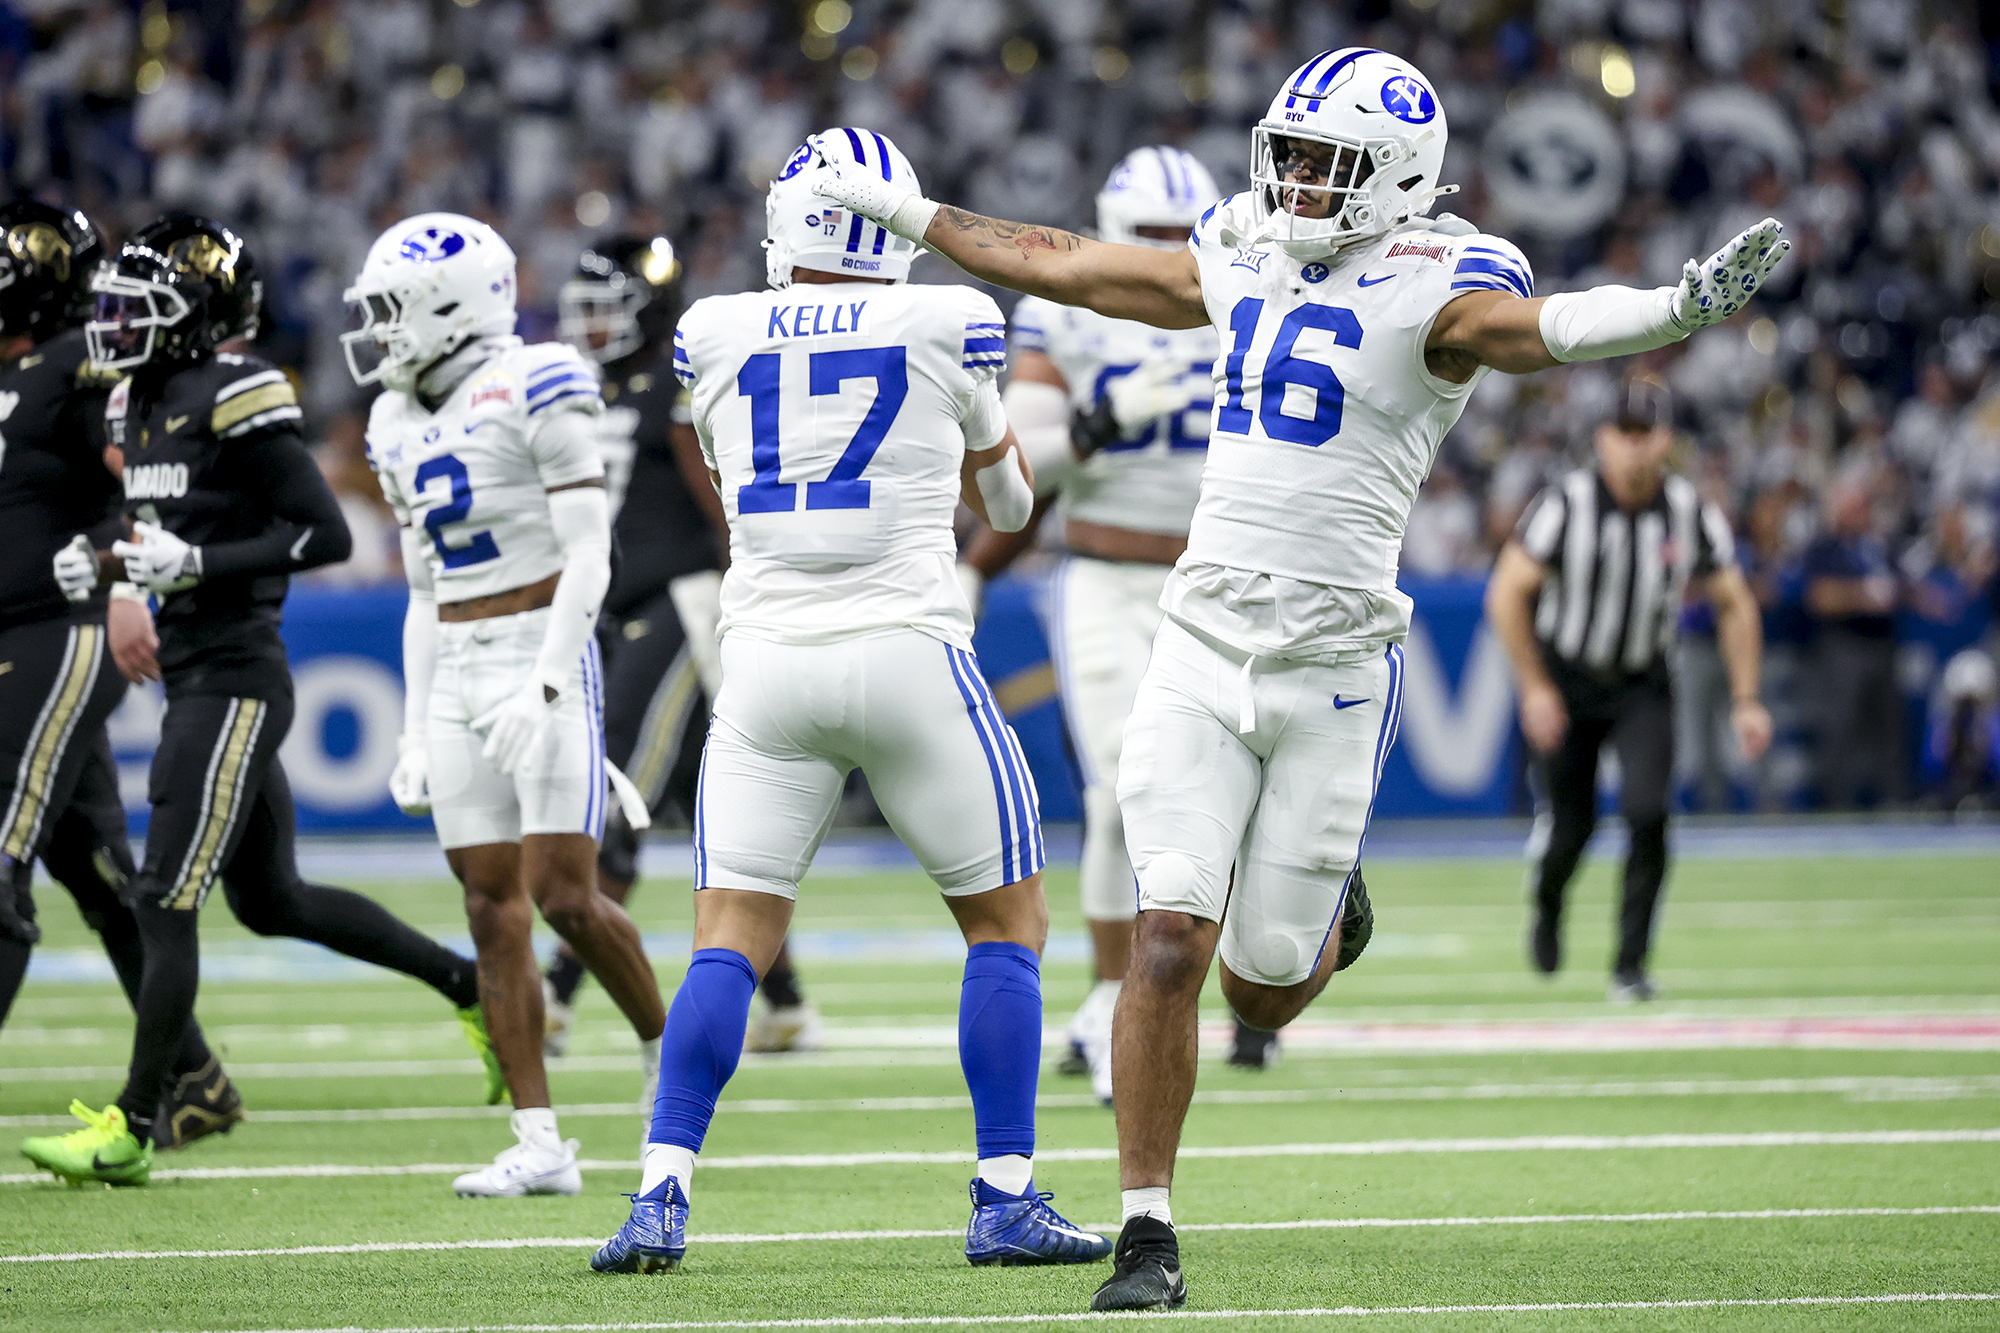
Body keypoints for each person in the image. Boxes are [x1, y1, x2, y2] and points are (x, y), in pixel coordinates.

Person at [810, 46, 1790, 1311]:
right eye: (1290, 152)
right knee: (1166, 931)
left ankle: (1331, 911)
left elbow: (1543, 333)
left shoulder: (1445, 282)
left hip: (1335, 663)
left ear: (1397, 178)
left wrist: (1676, 307)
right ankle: (1144, 1231)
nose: (1294, 181)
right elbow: (1068, 262)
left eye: (1326, 163)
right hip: (1201, 636)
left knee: (1262, 984)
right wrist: (910, 212)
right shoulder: (1243, 249)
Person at [590, 129, 1110, 1275]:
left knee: (726, 942)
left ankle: (658, 1191)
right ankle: (1004, 1191)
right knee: (1005, 926)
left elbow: (733, 483)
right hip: (908, 652)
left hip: (767, 663)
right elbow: (1015, 507)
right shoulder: (946, 322)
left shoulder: (713, 332)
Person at [19, 214, 489, 1188]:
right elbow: (157, 521)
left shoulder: (236, 393)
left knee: (163, 897)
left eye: (134, 310)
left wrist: (196, 563)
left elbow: (324, 536)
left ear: (195, 316)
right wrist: (106, 561)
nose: (110, 325)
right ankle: (469, 984)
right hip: (195, 669)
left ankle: (139, 1121)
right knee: (273, 900)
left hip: (234, 677)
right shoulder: (129, 404)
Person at [349, 213, 668, 1197]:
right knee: (490, 906)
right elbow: (420, 591)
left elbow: (589, 554)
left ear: (452, 305)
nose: (380, 330)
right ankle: (540, 1142)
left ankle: (671, 1060)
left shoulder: (538, 379)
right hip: (456, 657)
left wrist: (541, 682)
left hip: (542, 645)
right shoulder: (391, 417)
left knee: (565, 895)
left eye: (393, 311)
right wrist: (412, 723)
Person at [963, 146, 1250, 1097]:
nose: (1170, 251)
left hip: (1222, 578)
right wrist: (1093, 425)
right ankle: (1109, 992)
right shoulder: (1069, 310)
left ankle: (1241, 991)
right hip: (1106, 573)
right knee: (1118, 789)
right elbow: (1020, 450)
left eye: (1183, 236)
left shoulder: (1251, 294)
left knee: (1231, 793)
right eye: (1153, 238)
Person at [0, 201, 239, 1152]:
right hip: (23, 641)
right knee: (100, 878)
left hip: (55, 634)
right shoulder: (23, 370)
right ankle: (195, 1076)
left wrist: (130, 577)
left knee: (1, 854)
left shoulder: (75, 364)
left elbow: (145, 465)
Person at [545, 235, 817, 1058]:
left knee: (622, 781)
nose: (590, 325)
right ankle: (790, 1000)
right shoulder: (590, 388)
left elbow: (726, 500)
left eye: (607, 306)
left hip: (677, 604)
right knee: (720, 812)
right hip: (615, 610)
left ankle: (555, 992)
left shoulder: (678, 380)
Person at [1486, 377, 1773, 1001]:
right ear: (1602, 439)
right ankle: (1548, 901)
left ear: (1666, 440)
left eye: (1647, 435)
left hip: (1644, 679)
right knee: (1573, 826)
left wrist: (1747, 698)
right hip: (1568, 677)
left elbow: (1734, 602)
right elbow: (1507, 592)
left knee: (1649, 813)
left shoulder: (1688, 510)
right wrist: (1535, 687)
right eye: (1625, 434)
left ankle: (1630, 964)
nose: (1636, 448)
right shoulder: (1567, 503)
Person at [1802, 482, 1902, 808]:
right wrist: (1862, 595)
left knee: (1886, 727)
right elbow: (1819, 597)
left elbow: (1899, 590)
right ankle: (1836, 802)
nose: (1860, 515)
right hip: (1843, 645)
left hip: (1881, 644)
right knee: (1839, 725)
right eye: (1853, 508)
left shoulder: (1878, 547)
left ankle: (1890, 800)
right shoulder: (1825, 548)